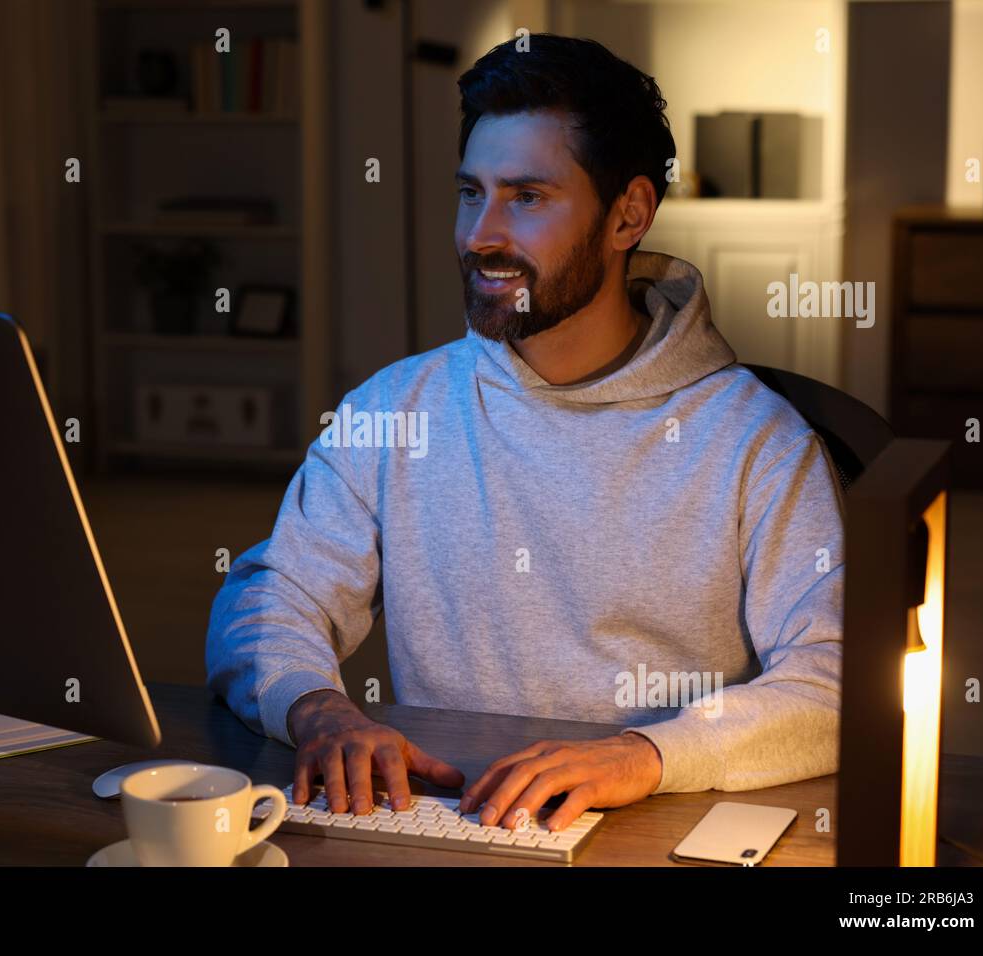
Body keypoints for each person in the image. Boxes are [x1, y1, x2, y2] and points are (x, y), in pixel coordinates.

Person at [206, 34, 844, 833]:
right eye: (471, 192)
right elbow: (270, 595)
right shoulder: (396, 407)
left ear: (629, 215)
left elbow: (834, 678)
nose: (481, 234)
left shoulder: (756, 441)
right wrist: (319, 711)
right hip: (437, 822)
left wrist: (646, 755)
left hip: (657, 826)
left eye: (528, 198)